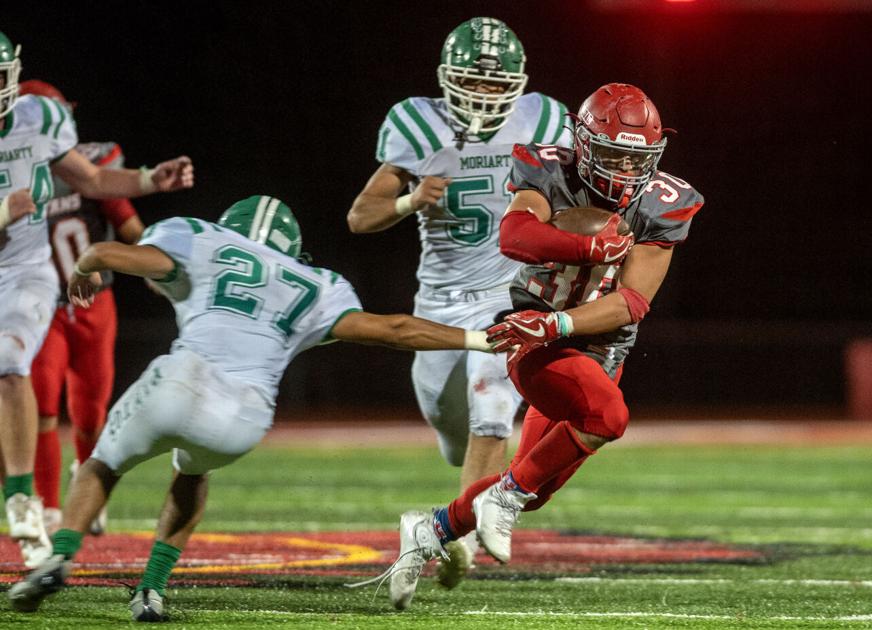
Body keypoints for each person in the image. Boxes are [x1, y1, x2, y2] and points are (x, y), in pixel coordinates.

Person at [8, 195, 497, 621]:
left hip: (181, 380)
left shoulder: (198, 238)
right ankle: (152, 589)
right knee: (193, 473)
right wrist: (479, 338)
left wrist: (84, 269)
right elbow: (396, 331)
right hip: (244, 418)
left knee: (103, 464)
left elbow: (103, 251)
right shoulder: (317, 283)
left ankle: (60, 557)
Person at [357, 82, 704, 611]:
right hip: (531, 334)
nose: (625, 171)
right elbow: (515, 236)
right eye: (613, 155)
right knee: (608, 419)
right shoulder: (549, 170)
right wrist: (584, 248)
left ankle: (428, 530)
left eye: (638, 160)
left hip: (595, 346)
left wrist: (560, 324)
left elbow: (629, 303)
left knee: (537, 485)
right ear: (584, 144)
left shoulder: (664, 203)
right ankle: (503, 497)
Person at [346, 16, 572, 589]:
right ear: (446, 78)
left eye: (499, 84)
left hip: (510, 291)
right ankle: (463, 499)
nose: (487, 94)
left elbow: (574, 195)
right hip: (440, 302)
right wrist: (410, 201)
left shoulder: (544, 118)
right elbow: (360, 217)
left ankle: (459, 533)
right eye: (475, 80)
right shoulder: (417, 122)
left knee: (492, 410)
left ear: (520, 84)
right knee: (453, 431)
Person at [0, 31, 193, 568]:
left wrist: (150, 180)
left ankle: (25, 500)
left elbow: (91, 177)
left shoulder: (38, 119)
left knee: (17, 368)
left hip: (30, 275)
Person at [19, 80, 145, 538]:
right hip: (42, 302)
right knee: (44, 404)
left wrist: (158, 264)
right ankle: (50, 507)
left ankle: (84, 481)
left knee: (91, 410)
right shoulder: (12, 167)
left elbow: (130, 226)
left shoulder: (90, 163)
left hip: (95, 301)